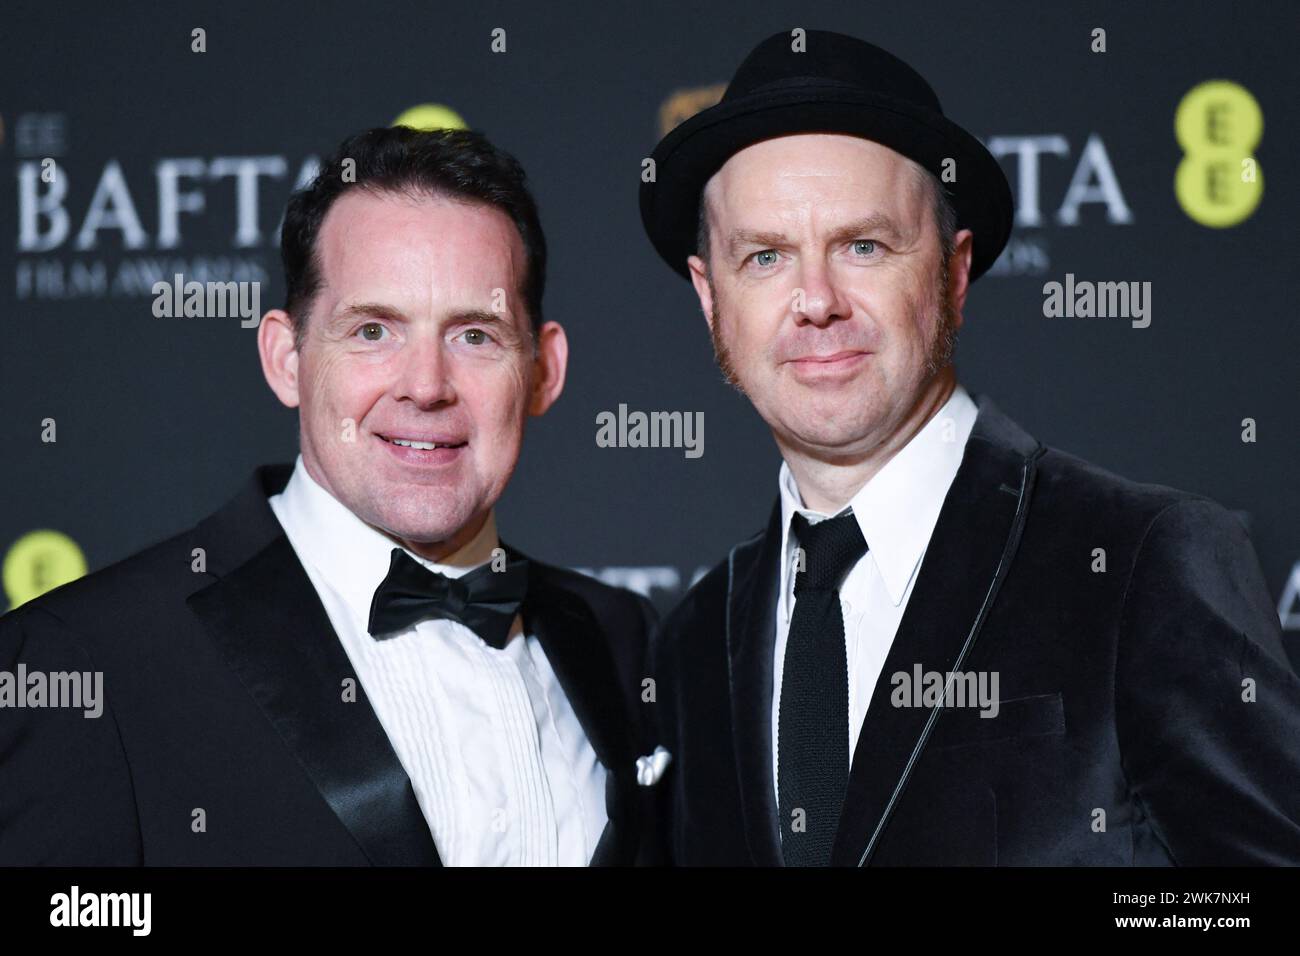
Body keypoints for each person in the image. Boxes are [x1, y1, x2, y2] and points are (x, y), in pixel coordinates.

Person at [640, 29, 1300, 865]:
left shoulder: (1140, 562)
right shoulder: (696, 638)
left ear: (953, 273)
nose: (815, 301)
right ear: (711, 297)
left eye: (863, 246)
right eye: (765, 257)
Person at [0, 126, 660, 866]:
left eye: (475, 336)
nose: (426, 385)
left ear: (543, 372)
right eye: (374, 330)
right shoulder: (88, 662)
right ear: (286, 359)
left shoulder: (620, 637)